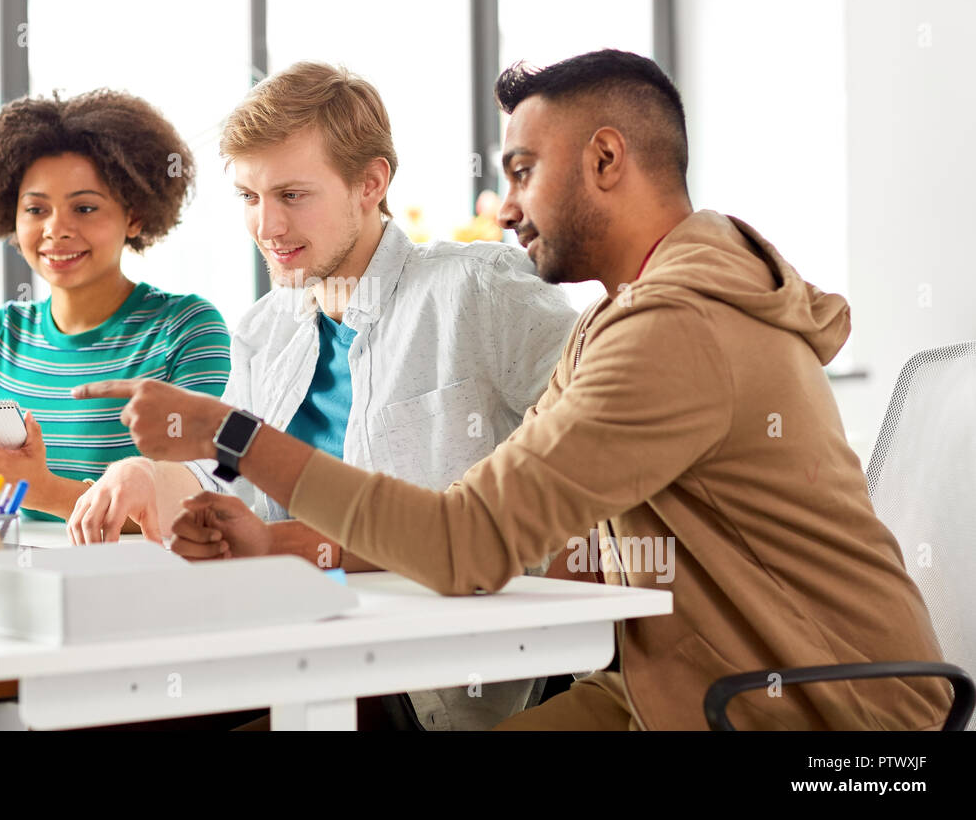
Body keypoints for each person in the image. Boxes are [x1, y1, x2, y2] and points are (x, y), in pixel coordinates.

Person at [80, 50, 951, 730]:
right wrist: (282, 539)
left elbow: (468, 543)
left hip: (833, 726)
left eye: (524, 169)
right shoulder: (628, 321)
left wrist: (231, 434)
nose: (504, 203)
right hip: (684, 687)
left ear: (606, 159)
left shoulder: (674, 332)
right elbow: (484, 525)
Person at [69, 61, 576, 730]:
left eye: (292, 195)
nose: (266, 225)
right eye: (249, 197)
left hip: (423, 680)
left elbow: (593, 455)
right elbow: (232, 496)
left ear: (371, 183)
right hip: (287, 642)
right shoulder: (264, 330)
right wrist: (144, 476)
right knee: (92, 705)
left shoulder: (476, 291)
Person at [0, 89, 231, 527]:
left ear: (135, 217)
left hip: (138, 579)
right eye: (36, 208)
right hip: (18, 576)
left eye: (84, 207)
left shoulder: (187, 330)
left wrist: (41, 490)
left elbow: (203, 493)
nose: (57, 230)